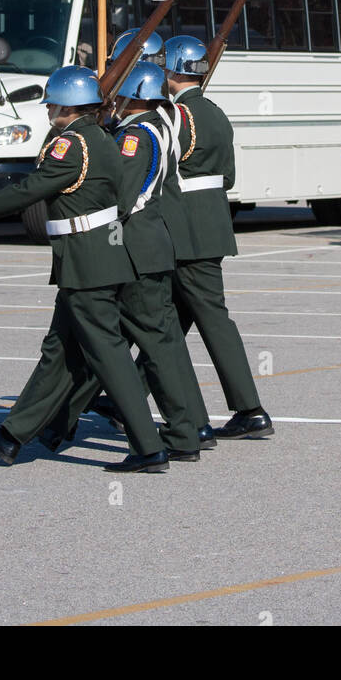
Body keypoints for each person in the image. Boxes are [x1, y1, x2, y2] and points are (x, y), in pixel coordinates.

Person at [0, 65, 170, 473]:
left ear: (65, 105)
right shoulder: (100, 137)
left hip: (88, 260)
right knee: (59, 352)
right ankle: (12, 436)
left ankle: (148, 448)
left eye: (52, 103)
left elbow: (29, 190)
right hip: (95, 256)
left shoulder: (74, 144)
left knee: (107, 354)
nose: (48, 110)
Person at [40, 60, 211, 461]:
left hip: (130, 248)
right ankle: (57, 424)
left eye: (119, 95)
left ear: (132, 95)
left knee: (120, 344)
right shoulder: (159, 125)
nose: (112, 101)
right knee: (138, 344)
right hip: (146, 245)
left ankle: (175, 434)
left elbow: (123, 197)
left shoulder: (135, 136)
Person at [159, 35, 275, 441]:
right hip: (211, 222)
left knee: (210, 319)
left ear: (171, 70)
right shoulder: (215, 113)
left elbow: (159, 173)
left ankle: (249, 409)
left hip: (184, 229)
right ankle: (138, 394)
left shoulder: (176, 116)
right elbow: (227, 176)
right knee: (168, 320)